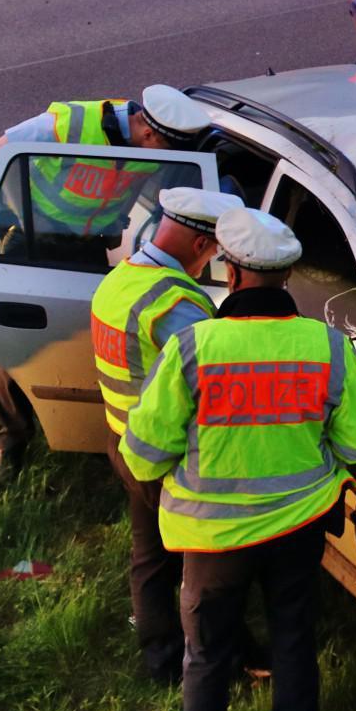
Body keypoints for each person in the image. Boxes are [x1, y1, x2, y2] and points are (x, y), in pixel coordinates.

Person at [122, 208, 356, 711]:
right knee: (293, 634)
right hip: (297, 531)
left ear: (232, 272)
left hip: (211, 540)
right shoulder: (325, 346)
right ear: (286, 276)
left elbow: (143, 454)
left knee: (206, 653)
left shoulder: (193, 348)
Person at [0, 84, 214, 483]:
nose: (162, 163)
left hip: (85, 244)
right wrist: (25, 217)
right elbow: (2, 150)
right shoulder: (74, 123)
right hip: (33, 239)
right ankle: (11, 440)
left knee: (88, 333)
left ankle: (79, 425)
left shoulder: (147, 143)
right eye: (164, 151)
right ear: (149, 133)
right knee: (21, 345)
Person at [91, 186, 243, 684]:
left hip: (123, 439)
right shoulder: (173, 303)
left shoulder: (120, 280)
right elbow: (218, 375)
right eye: (214, 252)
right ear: (200, 245)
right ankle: (220, 655)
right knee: (206, 563)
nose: (212, 263)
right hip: (166, 454)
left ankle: (159, 660)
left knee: (150, 555)